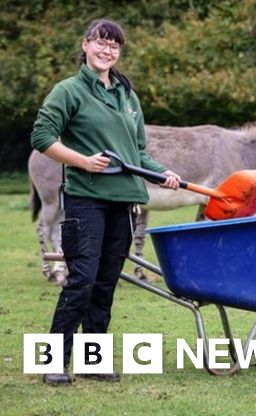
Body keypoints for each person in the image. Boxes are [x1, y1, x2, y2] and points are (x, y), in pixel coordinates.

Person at [30, 19, 180, 386]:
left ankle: (91, 362)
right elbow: (41, 135)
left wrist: (162, 173)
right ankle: (54, 362)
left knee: (105, 284)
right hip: (86, 201)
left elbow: (138, 153)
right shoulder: (68, 91)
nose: (107, 50)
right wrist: (82, 161)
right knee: (81, 281)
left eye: (114, 46)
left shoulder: (127, 96)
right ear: (85, 45)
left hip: (124, 203)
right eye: (100, 42)